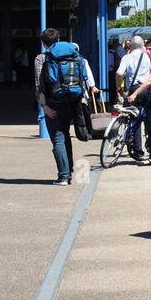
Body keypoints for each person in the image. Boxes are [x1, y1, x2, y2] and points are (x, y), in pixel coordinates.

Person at [35, 29, 89, 185]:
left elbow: (40, 85)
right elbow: (82, 80)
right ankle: (69, 170)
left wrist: (43, 106)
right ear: (58, 40)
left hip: (54, 103)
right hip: (73, 101)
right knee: (65, 135)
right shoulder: (75, 56)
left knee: (58, 138)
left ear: (43, 43)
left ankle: (63, 176)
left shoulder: (42, 58)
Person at [116, 34, 151, 163]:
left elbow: (119, 73)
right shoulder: (148, 57)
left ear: (131, 46)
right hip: (147, 88)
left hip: (134, 90)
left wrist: (118, 87)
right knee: (149, 119)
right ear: (143, 45)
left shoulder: (126, 57)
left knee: (135, 120)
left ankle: (138, 150)